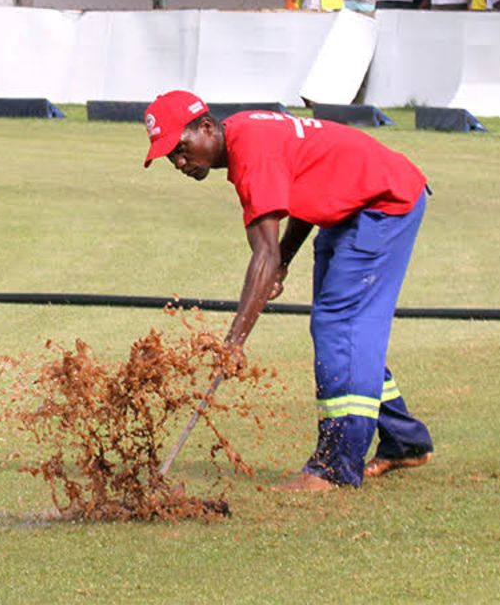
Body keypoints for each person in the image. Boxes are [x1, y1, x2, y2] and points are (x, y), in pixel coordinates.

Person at [141, 91, 434, 491]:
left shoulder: (251, 153)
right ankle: (404, 440)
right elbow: (302, 193)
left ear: (206, 127)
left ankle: (335, 468)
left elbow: (264, 253)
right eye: (169, 157)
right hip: (353, 205)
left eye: (180, 148)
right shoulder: (243, 134)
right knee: (337, 330)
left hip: (382, 204)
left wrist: (234, 343)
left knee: (341, 327)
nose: (178, 162)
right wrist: (285, 260)